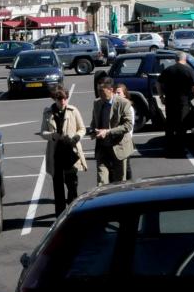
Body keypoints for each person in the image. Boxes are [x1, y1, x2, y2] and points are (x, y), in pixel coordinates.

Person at [40, 87, 87, 215]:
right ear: (54, 99)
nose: (63, 102)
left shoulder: (73, 110)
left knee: (72, 184)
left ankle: (73, 212)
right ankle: (60, 215)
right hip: (56, 154)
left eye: (65, 99)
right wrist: (52, 135)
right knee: (58, 186)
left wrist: (76, 138)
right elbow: (43, 132)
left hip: (70, 152)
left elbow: (82, 128)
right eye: (60, 99)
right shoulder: (47, 112)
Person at [90, 78, 134, 185]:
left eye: (102, 91)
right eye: (98, 91)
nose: (99, 94)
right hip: (102, 149)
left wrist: (108, 132)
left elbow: (128, 125)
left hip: (118, 148)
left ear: (111, 90)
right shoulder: (97, 103)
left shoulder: (123, 103)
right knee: (101, 182)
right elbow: (94, 122)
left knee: (119, 183)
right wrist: (93, 131)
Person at [156, 51, 194, 154]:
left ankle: (169, 147)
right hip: (183, 101)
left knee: (170, 124)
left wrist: (161, 95)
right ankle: (180, 148)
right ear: (185, 59)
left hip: (170, 101)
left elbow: (158, 83)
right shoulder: (188, 70)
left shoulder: (168, 70)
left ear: (175, 59)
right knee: (182, 124)